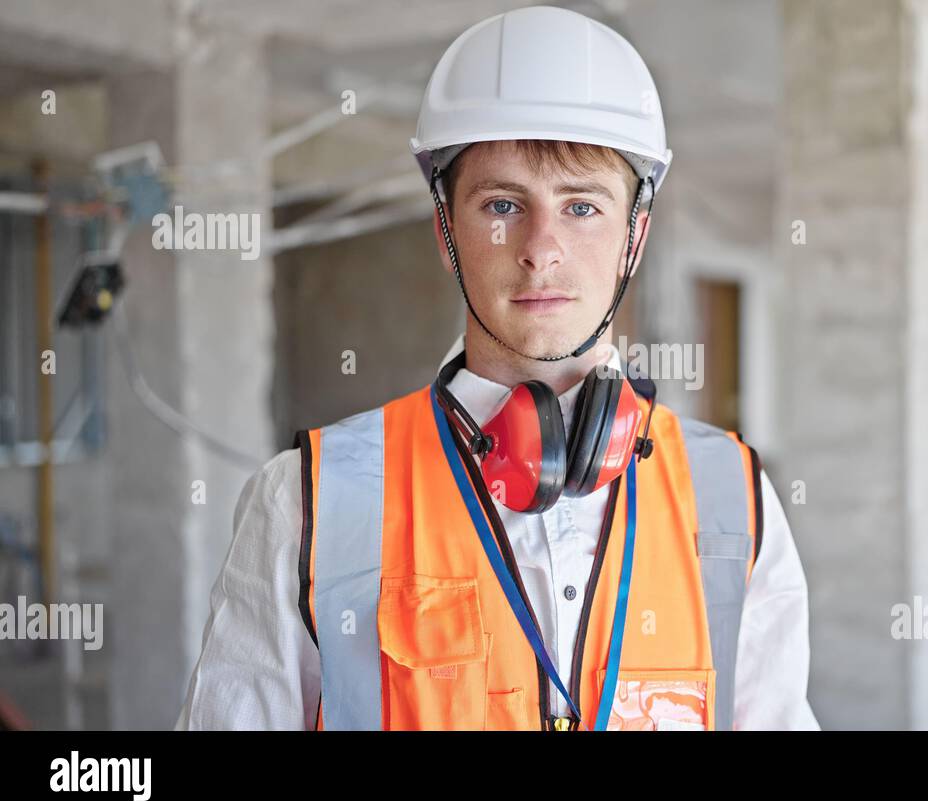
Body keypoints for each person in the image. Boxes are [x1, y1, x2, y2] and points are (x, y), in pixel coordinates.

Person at [176, 4, 817, 731]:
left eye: (582, 207)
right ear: (447, 232)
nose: (542, 248)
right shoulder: (309, 501)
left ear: (634, 237)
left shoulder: (732, 500)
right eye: (504, 204)